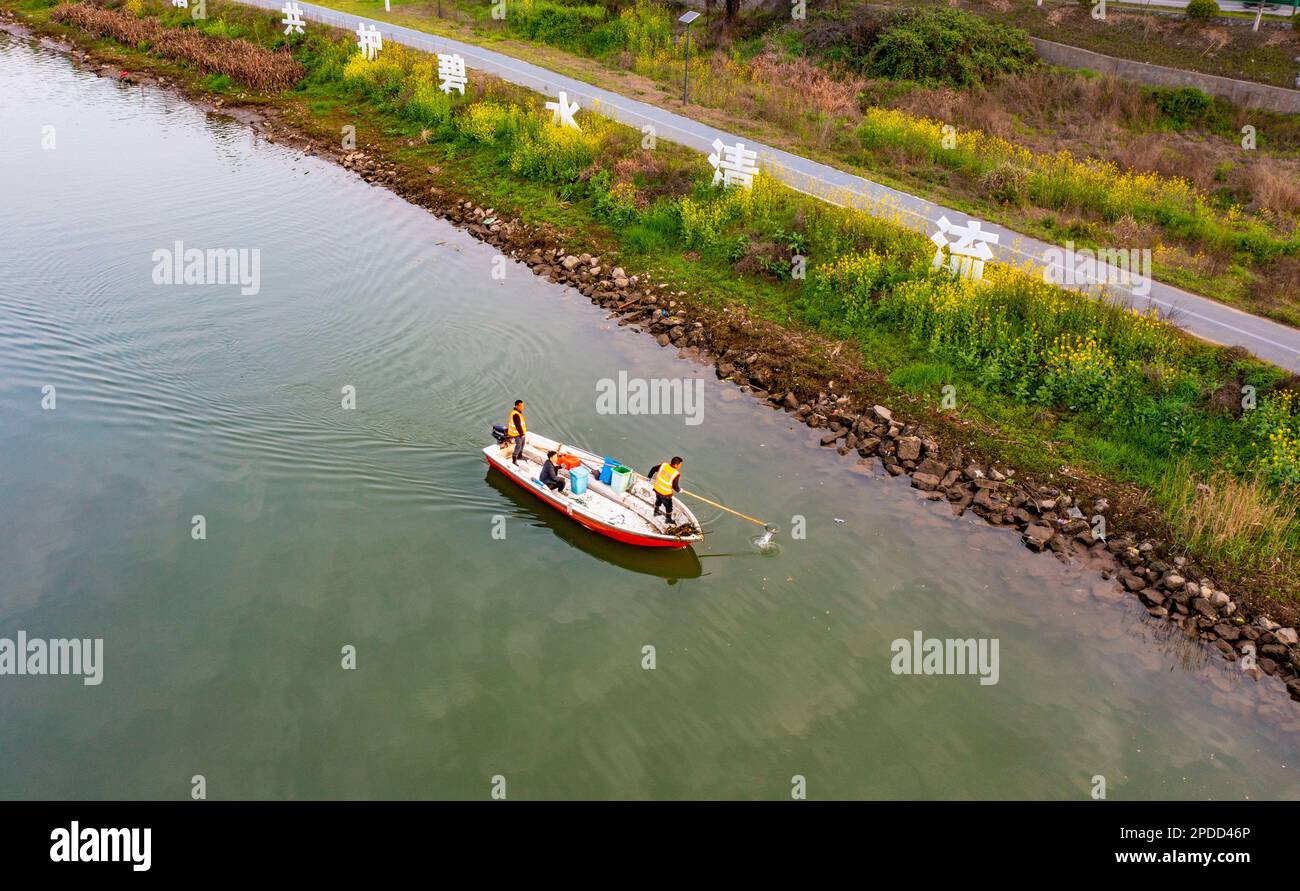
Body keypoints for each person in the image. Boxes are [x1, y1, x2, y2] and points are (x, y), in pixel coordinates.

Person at [648, 456, 683, 522]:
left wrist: (649, 477)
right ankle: (668, 519)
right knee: (669, 506)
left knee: (658, 500)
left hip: (657, 488)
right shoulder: (676, 473)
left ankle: (656, 512)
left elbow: (653, 469)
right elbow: (675, 487)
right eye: (680, 465)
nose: (680, 466)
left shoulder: (664, 465)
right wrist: (679, 490)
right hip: (665, 493)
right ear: (676, 465)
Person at [504, 399, 527, 466]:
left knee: (522, 445)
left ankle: (520, 456)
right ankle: (514, 460)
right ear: (516, 406)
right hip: (517, 434)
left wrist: (523, 433)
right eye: (521, 406)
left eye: (523, 405)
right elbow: (518, 425)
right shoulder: (515, 414)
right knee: (518, 446)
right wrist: (522, 434)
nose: (522, 407)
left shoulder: (518, 412)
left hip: (521, 433)